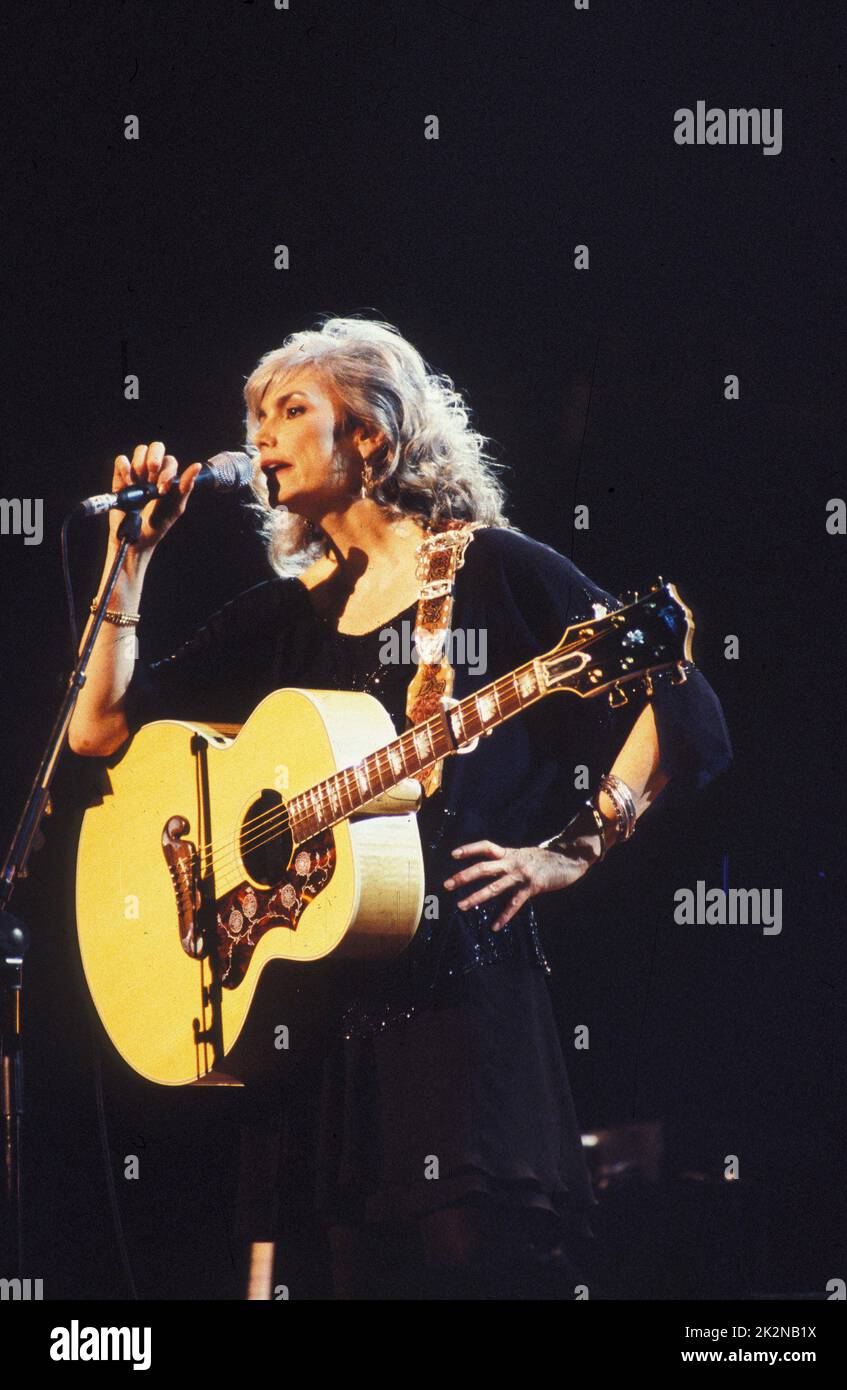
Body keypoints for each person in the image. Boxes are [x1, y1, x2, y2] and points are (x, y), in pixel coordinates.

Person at [68, 315, 732, 1300]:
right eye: (255, 412)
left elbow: (680, 700)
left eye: (291, 408)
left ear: (369, 434)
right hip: (319, 1017)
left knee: (476, 1272)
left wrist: (573, 847)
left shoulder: (496, 568)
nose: (260, 432)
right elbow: (98, 729)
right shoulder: (288, 615)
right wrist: (130, 557)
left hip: (458, 1007)